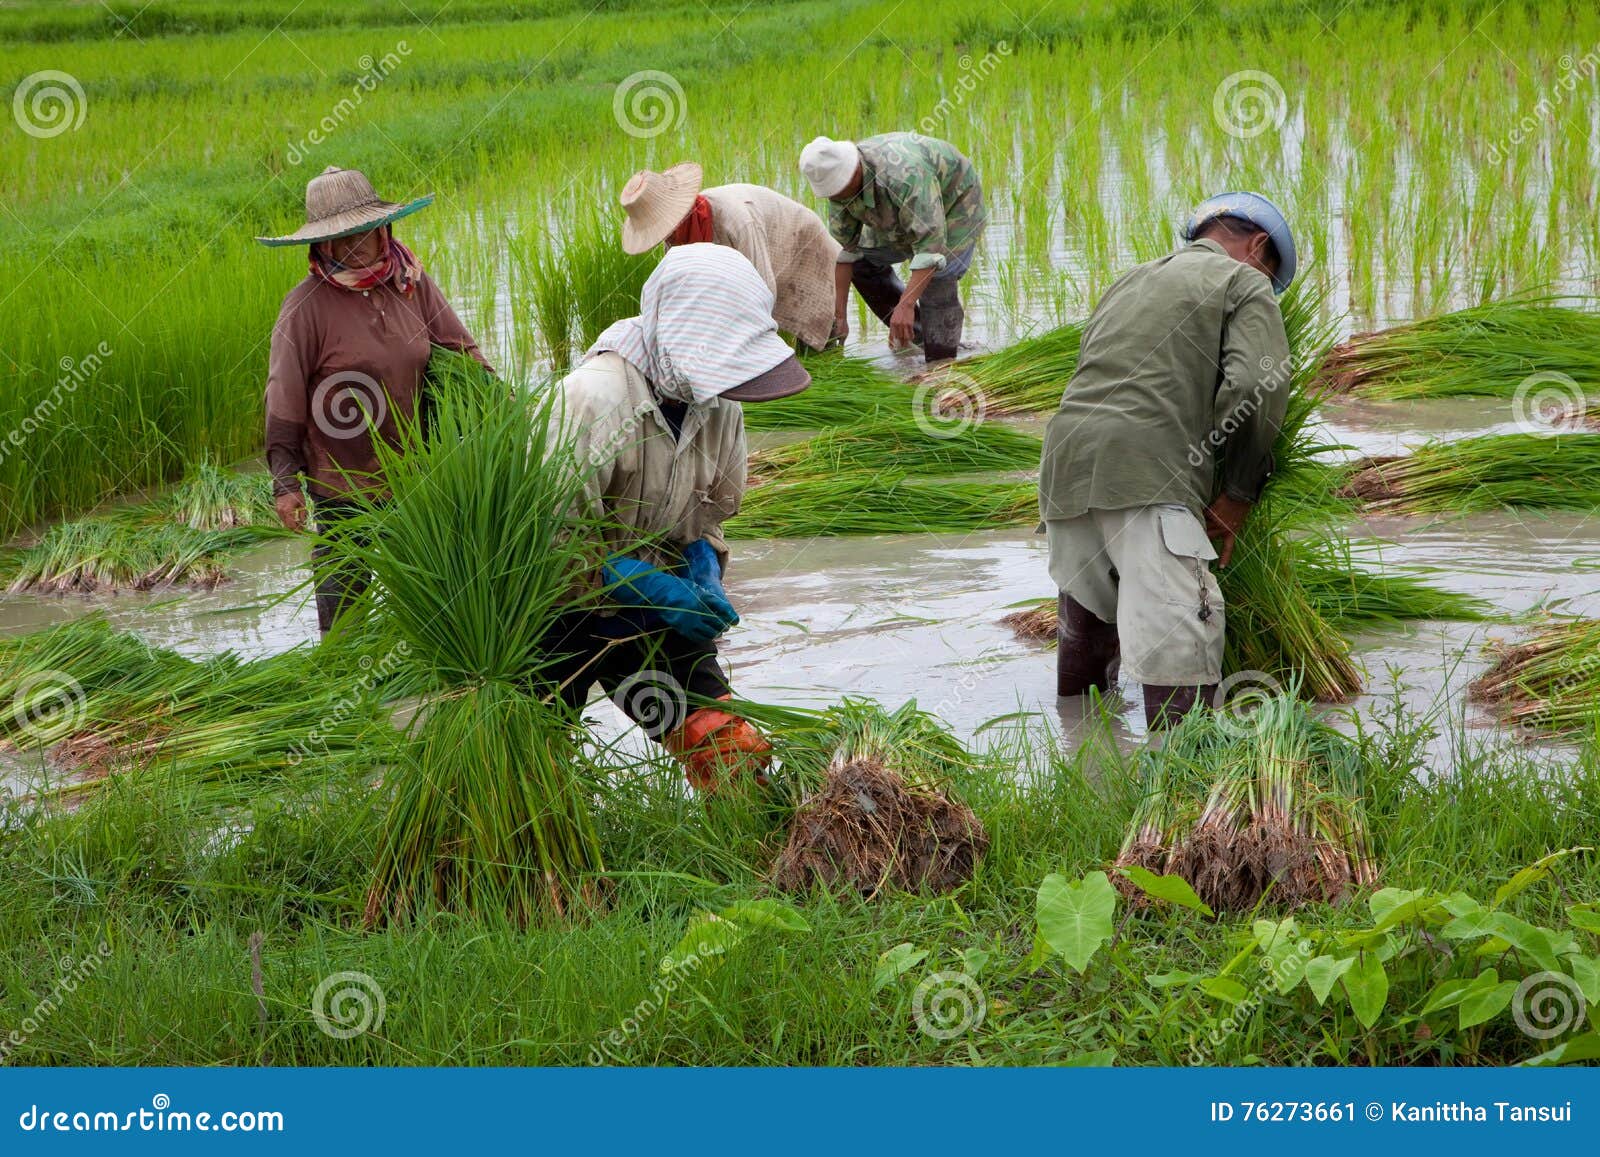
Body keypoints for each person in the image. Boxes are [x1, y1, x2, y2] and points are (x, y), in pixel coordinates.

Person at [547, 243, 811, 793]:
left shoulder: (720, 401)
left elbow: (708, 514)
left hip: (651, 605)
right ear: (683, 340)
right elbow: (552, 548)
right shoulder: (589, 402)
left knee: (729, 749)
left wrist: (702, 570)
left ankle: (748, 860)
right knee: (534, 765)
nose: (729, 385)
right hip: (551, 617)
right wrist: (648, 587)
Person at [1037, 191, 1297, 731]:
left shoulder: (1129, 279)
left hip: (1065, 466)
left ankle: (1084, 776)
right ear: (1258, 246)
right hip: (1150, 473)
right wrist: (1238, 492)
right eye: (1271, 275)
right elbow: (1256, 382)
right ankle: (1186, 801)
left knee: (1087, 623)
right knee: (1180, 642)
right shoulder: (1242, 281)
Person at [259, 165, 491, 636]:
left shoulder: (411, 283)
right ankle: (345, 689)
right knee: (346, 615)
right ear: (321, 244)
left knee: (432, 607)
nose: (354, 245)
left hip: (416, 475)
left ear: (383, 227)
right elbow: (283, 395)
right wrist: (286, 483)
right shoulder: (304, 307)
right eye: (340, 237)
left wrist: (498, 399)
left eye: (363, 231)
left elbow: (458, 349)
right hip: (342, 481)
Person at [799, 132, 985, 361]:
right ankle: (915, 334)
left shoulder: (905, 176)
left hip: (954, 203)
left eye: (841, 190)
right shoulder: (839, 194)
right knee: (862, 264)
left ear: (854, 171)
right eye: (833, 194)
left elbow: (930, 249)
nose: (839, 199)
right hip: (897, 210)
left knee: (938, 279)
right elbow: (846, 252)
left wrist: (905, 304)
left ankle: (942, 363)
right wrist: (839, 315)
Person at [618, 162, 842, 352]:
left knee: (818, 345)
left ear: (678, 214)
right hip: (772, 257)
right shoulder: (677, 236)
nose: (665, 238)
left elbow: (762, 294)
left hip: (804, 251)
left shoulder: (737, 222)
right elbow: (689, 293)